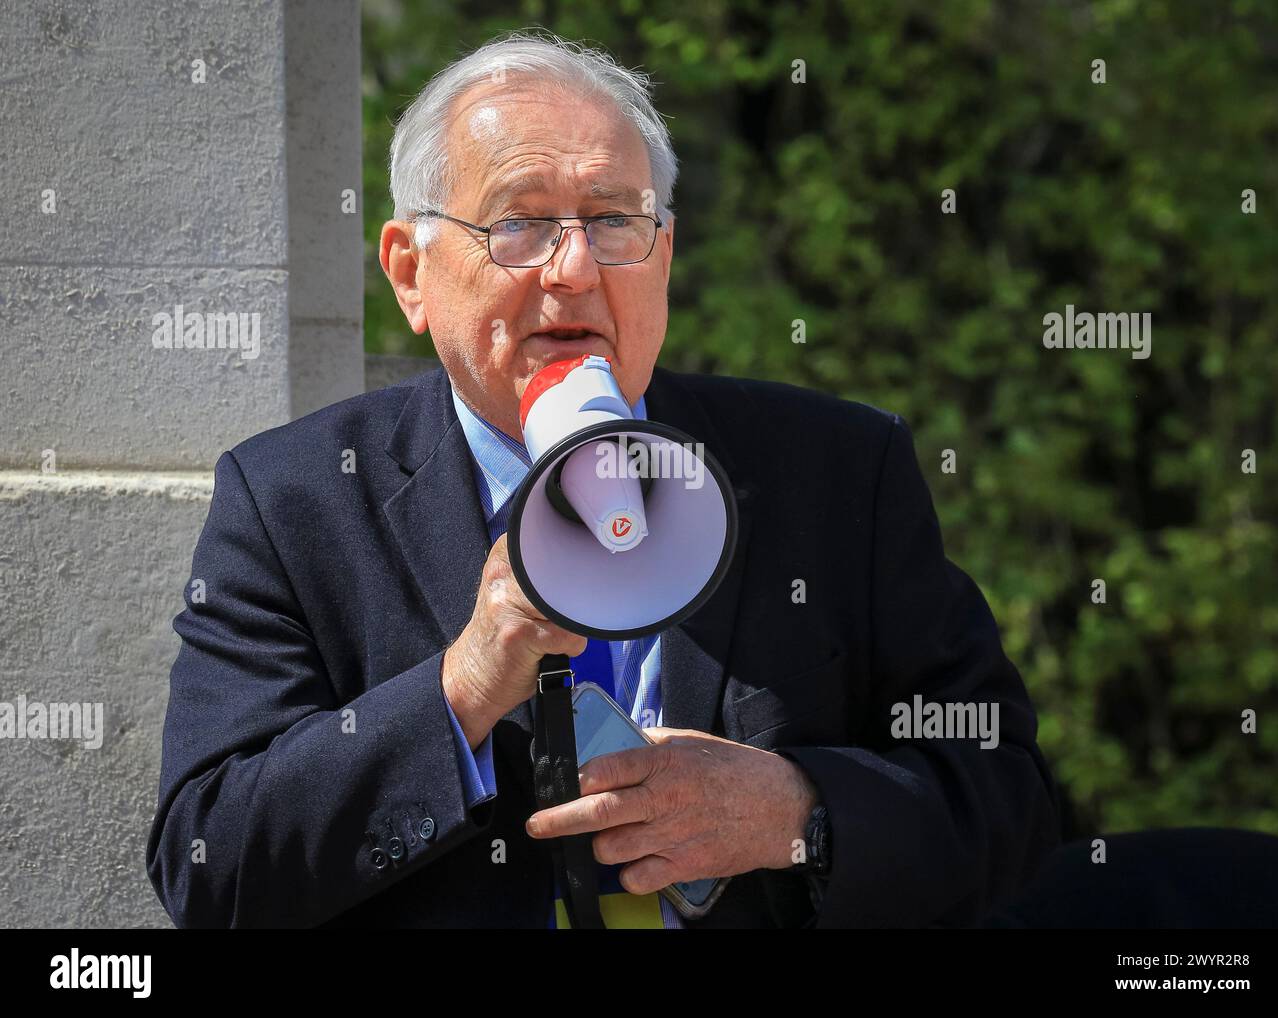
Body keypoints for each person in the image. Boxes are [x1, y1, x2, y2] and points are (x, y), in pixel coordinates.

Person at [145, 31, 1059, 929]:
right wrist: (462, 688)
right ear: (410, 274)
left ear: (663, 255)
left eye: (615, 221)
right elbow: (209, 866)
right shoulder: (294, 502)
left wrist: (798, 813)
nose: (575, 269)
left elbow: (1009, 803)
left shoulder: (837, 471)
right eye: (520, 224)